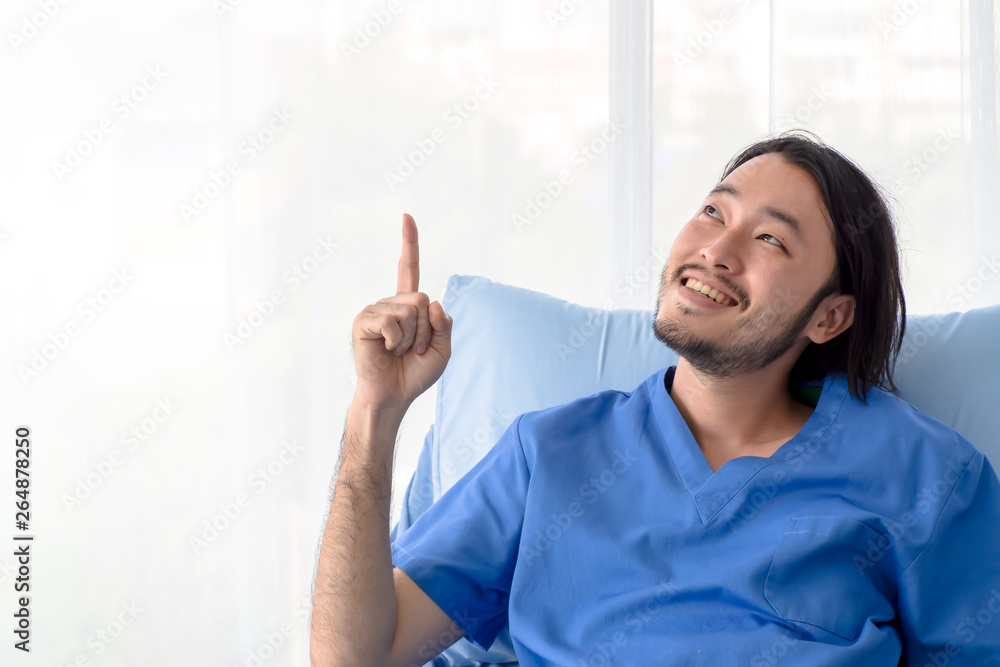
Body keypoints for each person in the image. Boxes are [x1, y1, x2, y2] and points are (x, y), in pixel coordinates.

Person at [309, 133, 1000, 666]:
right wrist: (376, 408)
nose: (716, 250)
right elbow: (354, 653)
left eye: (769, 239)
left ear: (830, 317)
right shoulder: (545, 456)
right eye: (711, 213)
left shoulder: (926, 475)